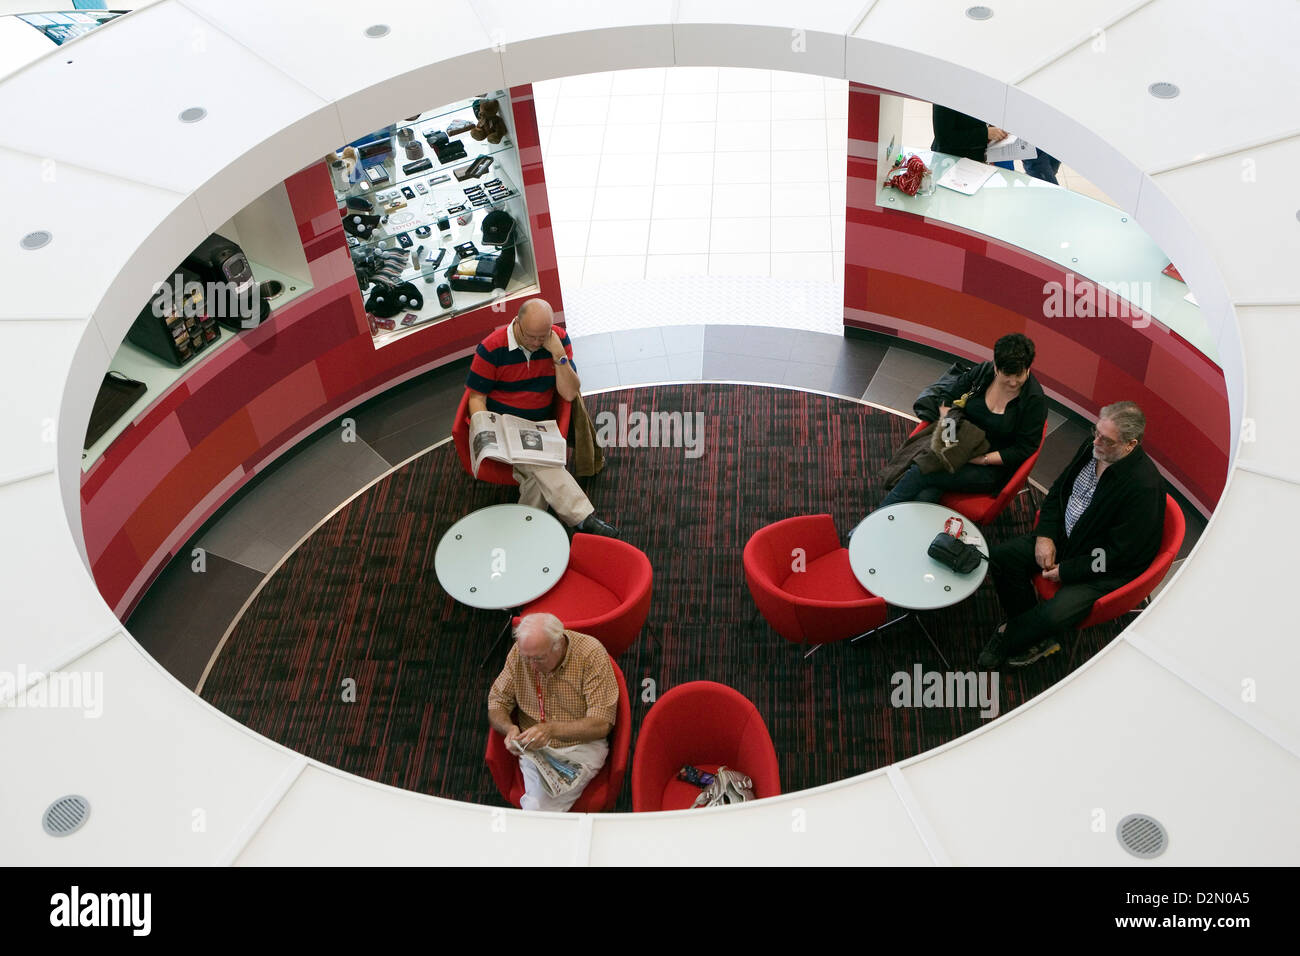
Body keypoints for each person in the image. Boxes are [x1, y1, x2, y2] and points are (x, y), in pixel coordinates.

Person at [978, 401, 1166, 669]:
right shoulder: (1095, 448)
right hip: (1066, 538)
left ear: (1130, 445)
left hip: (1100, 568)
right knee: (1000, 558)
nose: (1096, 441)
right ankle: (1031, 629)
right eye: (1096, 432)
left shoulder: (1143, 488)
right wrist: (1045, 536)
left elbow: (1119, 555)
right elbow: (1059, 491)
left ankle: (1009, 636)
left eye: (1107, 439)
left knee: (1054, 616)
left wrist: (1068, 571)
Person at [465, 298, 618, 537]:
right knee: (540, 465)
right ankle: (582, 519)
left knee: (534, 476)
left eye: (542, 336)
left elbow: (568, 392)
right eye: (530, 336)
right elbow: (476, 397)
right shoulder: (492, 347)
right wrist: (487, 431)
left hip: (540, 425)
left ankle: (526, 530)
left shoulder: (557, 339)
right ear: (517, 322)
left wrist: (558, 354)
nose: (537, 343)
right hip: (504, 425)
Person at [879, 333, 1047, 508]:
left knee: (921, 471)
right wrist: (950, 437)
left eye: (1019, 375)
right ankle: (900, 527)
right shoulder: (983, 373)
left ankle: (876, 521)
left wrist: (982, 459)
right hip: (957, 444)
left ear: (1028, 368)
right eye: (1007, 375)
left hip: (988, 467)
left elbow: (1024, 448)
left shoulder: (1034, 401)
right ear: (996, 367)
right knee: (926, 493)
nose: (1013, 383)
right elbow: (947, 397)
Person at [487, 613, 619, 812]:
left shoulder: (590, 654)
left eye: (539, 659)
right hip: (533, 747)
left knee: (537, 809)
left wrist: (551, 730)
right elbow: (496, 702)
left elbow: (601, 724)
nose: (532, 666)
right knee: (538, 808)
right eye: (527, 658)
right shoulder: (520, 653)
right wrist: (509, 728)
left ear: (559, 645)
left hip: (580, 745)